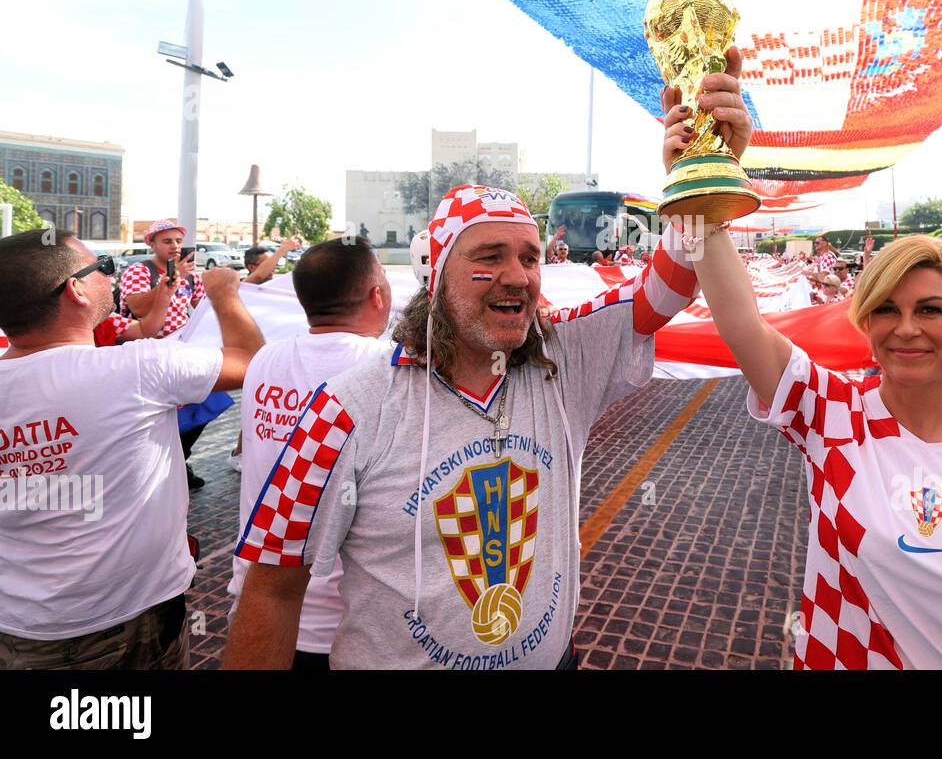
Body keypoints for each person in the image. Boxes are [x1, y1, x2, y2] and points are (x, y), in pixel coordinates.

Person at [661, 63, 942, 670]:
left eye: (930, 309)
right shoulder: (833, 415)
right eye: (886, 309)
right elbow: (740, 321)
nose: (906, 327)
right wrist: (701, 181)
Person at [224, 171, 705, 669]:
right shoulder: (347, 409)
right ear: (436, 275)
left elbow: (665, 291)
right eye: (489, 256)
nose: (518, 276)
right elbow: (271, 589)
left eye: (529, 257)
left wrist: (696, 175)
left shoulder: (565, 358)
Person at [0, 229, 262, 669]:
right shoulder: (138, 368)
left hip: (20, 628)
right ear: (76, 290)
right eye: (103, 267)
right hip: (129, 622)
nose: (113, 276)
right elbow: (252, 359)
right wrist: (224, 293)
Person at [228, 239, 392, 670]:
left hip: (261, 607)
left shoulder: (266, 360)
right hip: (345, 625)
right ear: (378, 296)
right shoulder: (385, 367)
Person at [120, 219, 214, 488]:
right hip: (145, 354)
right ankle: (159, 467)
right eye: (167, 241)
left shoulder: (191, 276)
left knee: (209, 400)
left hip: (179, 352)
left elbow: (205, 307)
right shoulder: (139, 271)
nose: (174, 247)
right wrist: (170, 283)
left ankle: (179, 458)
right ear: (151, 244)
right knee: (156, 415)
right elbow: (138, 309)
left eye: (177, 241)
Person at [228, 235, 304, 471]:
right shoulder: (247, 285)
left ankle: (245, 452)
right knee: (253, 406)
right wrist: (284, 248)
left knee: (261, 406)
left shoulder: (271, 288)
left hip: (271, 357)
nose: (272, 268)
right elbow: (260, 275)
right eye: (266, 261)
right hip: (254, 358)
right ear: (251, 266)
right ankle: (241, 454)